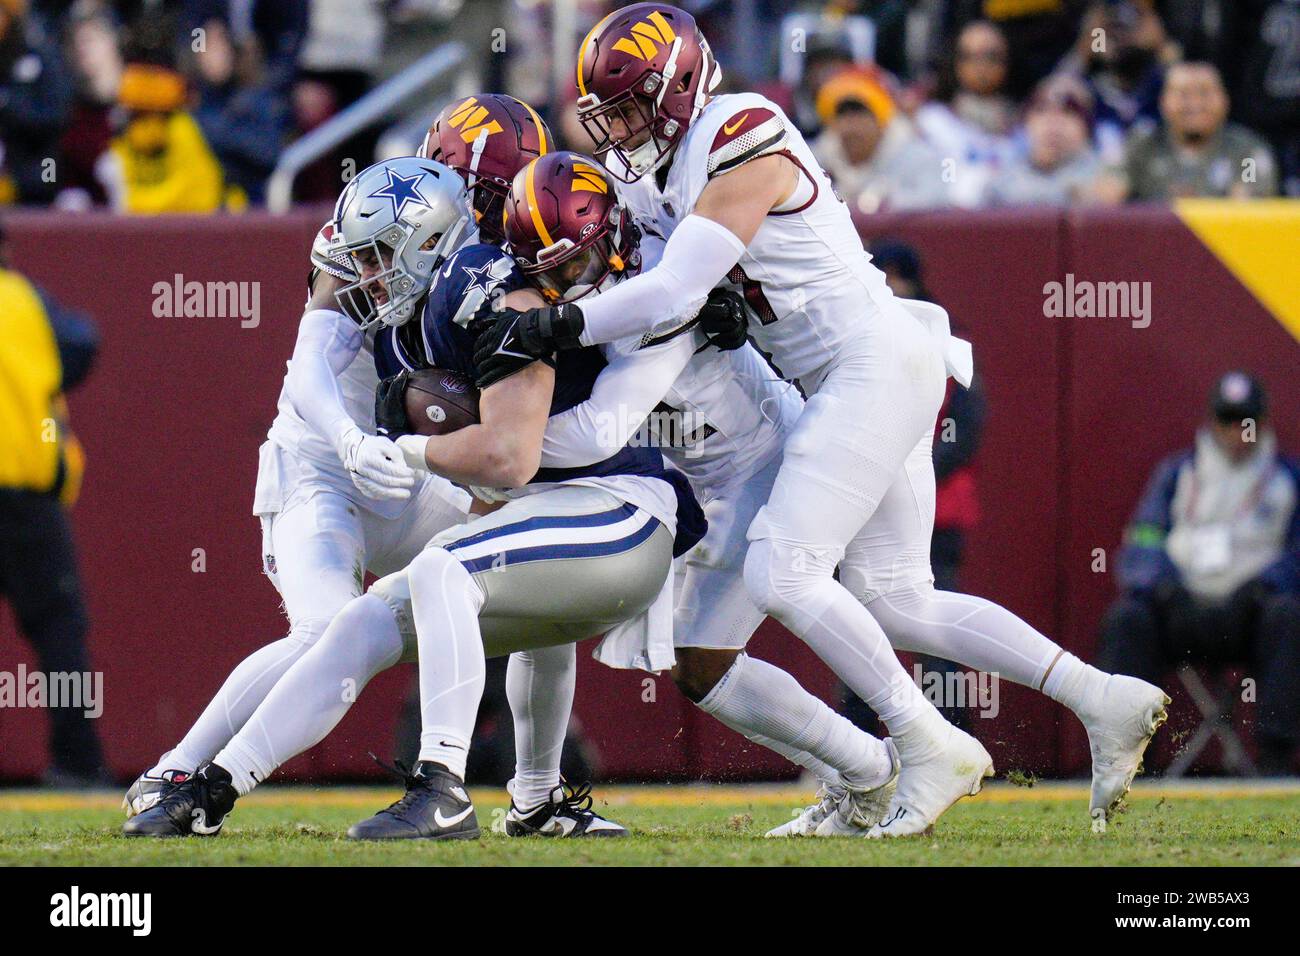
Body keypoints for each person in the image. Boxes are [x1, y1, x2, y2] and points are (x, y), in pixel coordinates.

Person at [478, 2, 1170, 835]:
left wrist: (557, 325)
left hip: (866, 362)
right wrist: (720, 303)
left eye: (630, 106)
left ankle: (925, 745)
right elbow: (678, 272)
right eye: (608, 114)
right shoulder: (648, 167)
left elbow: (672, 288)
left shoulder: (743, 128)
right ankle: (1104, 700)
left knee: (785, 571)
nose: (620, 129)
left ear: (682, 83)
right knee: (901, 601)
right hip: (846, 373)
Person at [122, 155, 702, 840]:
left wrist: (415, 449)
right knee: (354, 625)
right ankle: (205, 786)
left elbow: (512, 457)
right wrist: (357, 441)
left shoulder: (490, 285)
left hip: (597, 502)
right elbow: (309, 367)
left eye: (378, 258)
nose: (361, 276)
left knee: (448, 569)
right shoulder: (394, 288)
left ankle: (448, 789)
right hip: (333, 464)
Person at [1097, 372, 1300, 774]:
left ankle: (1276, 759)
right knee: (1128, 620)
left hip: (1250, 615)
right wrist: (1164, 587)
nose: (1236, 433)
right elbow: (1143, 540)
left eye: (1246, 422)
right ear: (1211, 422)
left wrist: (1265, 586)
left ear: (1263, 423)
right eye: (1227, 421)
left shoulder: (1286, 479)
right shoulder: (1176, 474)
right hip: (1184, 611)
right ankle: (1125, 761)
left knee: (1289, 617)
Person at [0, 220, 104, 786]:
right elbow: (82, 345)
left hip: (27, 495)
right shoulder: (25, 300)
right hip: (26, 497)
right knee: (60, 630)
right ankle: (79, 762)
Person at [1097, 60, 1278, 203]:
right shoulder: (1142, 144)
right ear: (1163, 102)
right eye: (1183, 94)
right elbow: (1107, 195)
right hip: (1154, 244)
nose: (1194, 104)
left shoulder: (1247, 151)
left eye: (1205, 93)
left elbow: (1251, 208)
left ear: (1224, 100)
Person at [809, 68, 952, 213]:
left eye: (860, 113)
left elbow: (938, 203)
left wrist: (885, 201)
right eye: (842, 114)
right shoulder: (814, 160)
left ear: (882, 120)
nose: (851, 126)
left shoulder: (918, 157)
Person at [985, 74, 1102, 208]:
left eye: (1068, 111)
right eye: (1041, 110)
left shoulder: (1105, 180)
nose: (1053, 121)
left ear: (1087, 127)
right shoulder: (1001, 182)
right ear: (1026, 122)